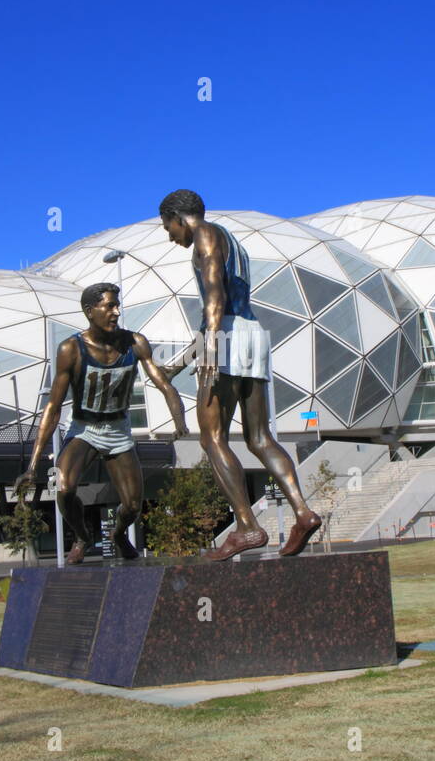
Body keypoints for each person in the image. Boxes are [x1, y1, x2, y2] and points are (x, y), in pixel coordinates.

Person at [158, 188, 322, 560]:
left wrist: (211, 345)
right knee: (260, 437)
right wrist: (179, 364)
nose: (170, 236)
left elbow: (214, 295)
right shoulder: (233, 240)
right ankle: (303, 512)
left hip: (224, 335)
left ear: (179, 217)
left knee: (212, 438)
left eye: (168, 227)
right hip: (250, 333)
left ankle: (246, 527)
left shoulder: (205, 234)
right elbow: (228, 303)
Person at [16, 282, 188, 565]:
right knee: (64, 486)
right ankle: (82, 537)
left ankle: (119, 535)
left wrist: (178, 418)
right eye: (109, 306)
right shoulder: (71, 349)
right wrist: (32, 466)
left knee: (132, 505)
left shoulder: (135, 342)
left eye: (117, 306)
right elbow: (53, 406)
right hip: (84, 429)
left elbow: (164, 384)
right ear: (89, 311)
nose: (116, 312)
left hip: (118, 431)